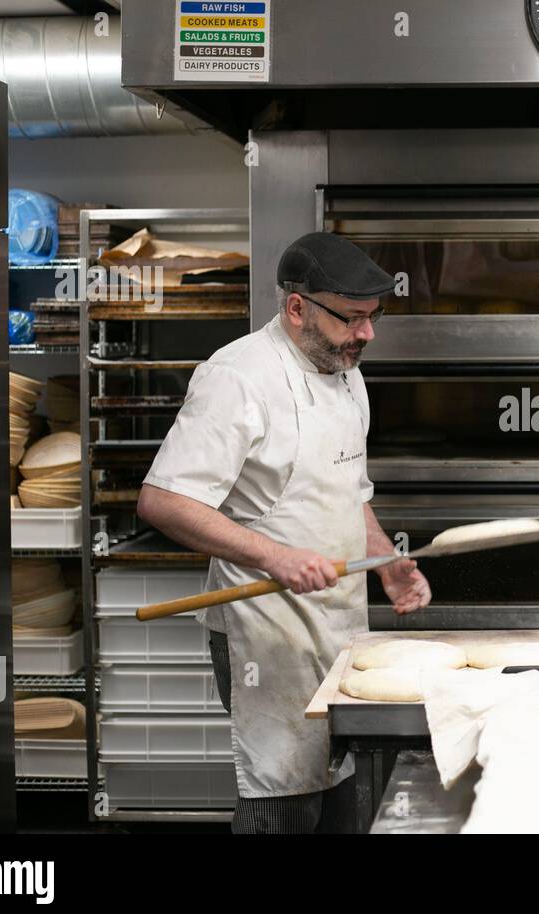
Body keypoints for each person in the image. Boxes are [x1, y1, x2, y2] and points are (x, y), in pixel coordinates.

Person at [136, 232, 430, 832]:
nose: (366, 335)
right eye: (352, 318)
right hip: (264, 630)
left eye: (373, 318)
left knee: (344, 793)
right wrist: (275, 557)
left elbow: (350, 492)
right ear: (297, 308)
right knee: (284, 795)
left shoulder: (346, 372)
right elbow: (163, 501)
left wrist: (386, 564)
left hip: (337, 620)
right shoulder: (237, 377)